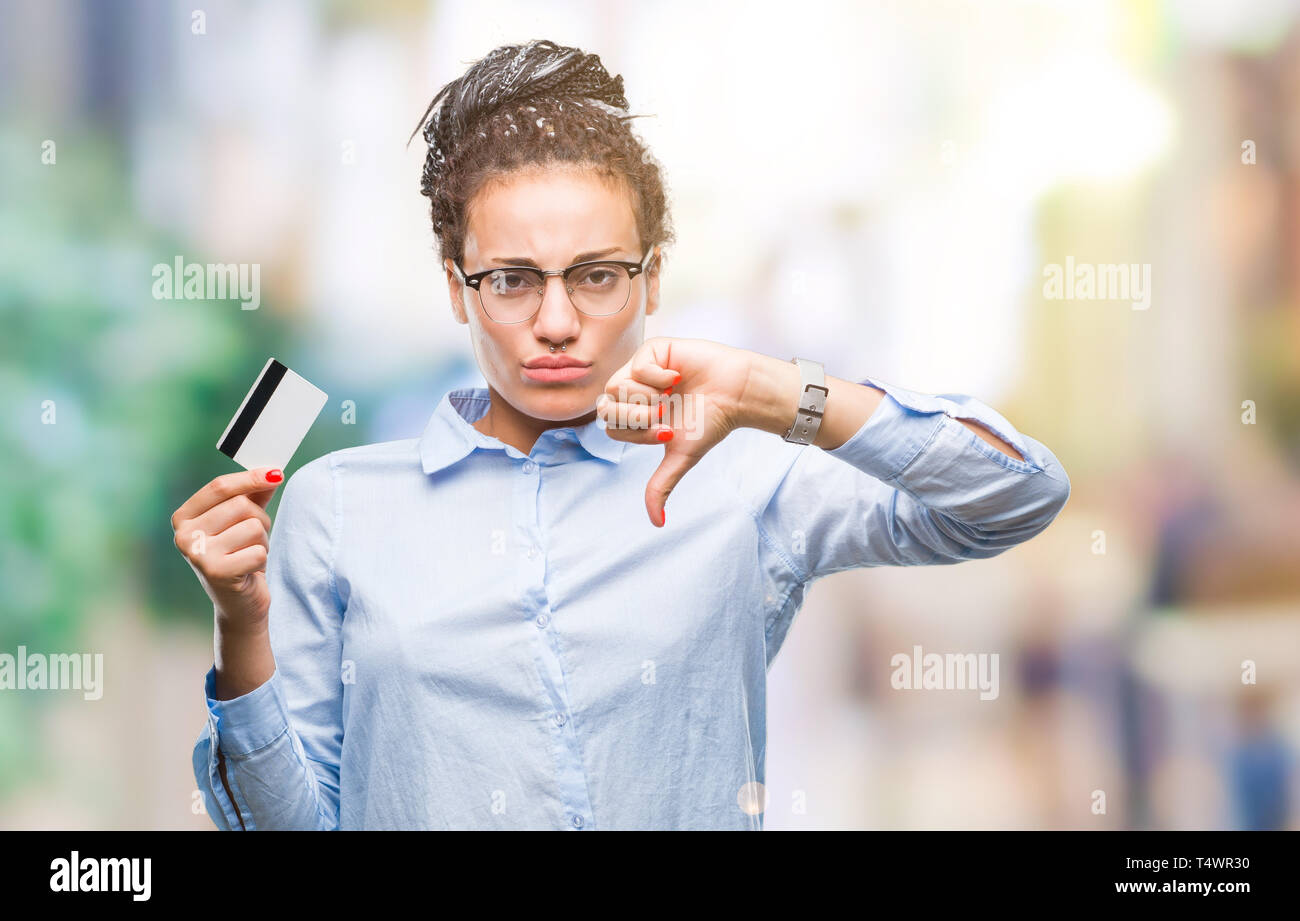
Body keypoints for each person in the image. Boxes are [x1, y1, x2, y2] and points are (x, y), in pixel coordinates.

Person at [173, 39, 1071, 830]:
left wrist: (769, 387)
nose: (558, 321)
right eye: (514, 280)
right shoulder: (339, 509)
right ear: (458, 287)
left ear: (650, 280)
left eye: (597, 275)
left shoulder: (744, 481)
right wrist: (241, 630)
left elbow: (1016, 494)